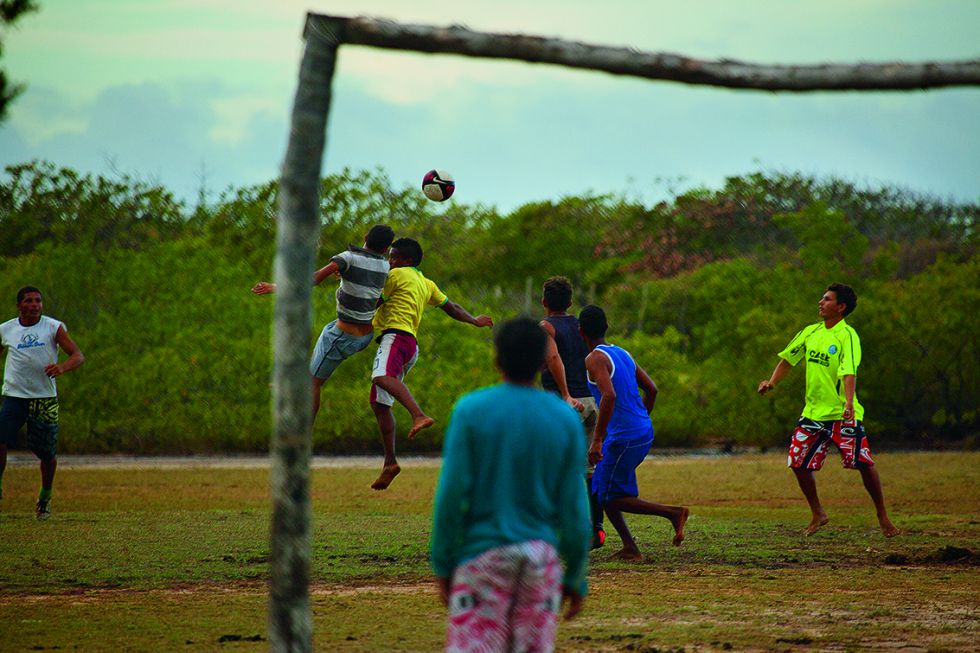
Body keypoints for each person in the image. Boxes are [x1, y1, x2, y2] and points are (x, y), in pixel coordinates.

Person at [430, 317, 591, 653]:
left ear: (497, 359)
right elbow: (575, 507)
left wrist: (443, 563)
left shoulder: (471, 411)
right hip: (540, 560)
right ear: (541, 363)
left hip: (482, 557)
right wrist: (575, 574)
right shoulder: (564, 418)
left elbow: (451, 495)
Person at [758, 283, 900, 537]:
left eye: (827, 299)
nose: (820, 302)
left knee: (863, 463)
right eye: (821, 298)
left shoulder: (847, 336)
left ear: (841, 307)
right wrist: (771, 382)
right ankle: (818, 512)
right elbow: (788, 359)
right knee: (798, 462)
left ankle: (883, 516)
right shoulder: (810, 332)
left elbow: (849, 371)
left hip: (841, 413)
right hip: (813, 413)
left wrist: (848, 403)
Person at [369, 237, 493, 490]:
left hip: (395, 337)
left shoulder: (395, 276)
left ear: (406, 261)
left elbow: (374, 301)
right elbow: (452, 307)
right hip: (409, 346)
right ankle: (390, 462)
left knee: (381, 378)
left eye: (393, 258)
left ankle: (419, 415)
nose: (389, 262)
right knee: (380, 403)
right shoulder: (426, 283)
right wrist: (474, 320)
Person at [251, 224, 395, 421]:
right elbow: (366, 285)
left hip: (345, 336)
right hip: (365, 335)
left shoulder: (348, 258)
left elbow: (315, 279)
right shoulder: (386, 266)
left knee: (313, 383)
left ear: (366, 236)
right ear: (386, 249)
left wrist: (275, 287)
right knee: (327, 332)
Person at [580, 304, 689, 561]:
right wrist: (640, 420)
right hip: (641, 431)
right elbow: (652, 389)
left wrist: (596, 439)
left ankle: (673, 514)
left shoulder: (594, 359)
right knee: (603, 490)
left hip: (625, 436)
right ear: (605, 327)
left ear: (580, 331)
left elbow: (608, 394)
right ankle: (630, 547)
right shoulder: (623, 354)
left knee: (606, 494)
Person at [0, 286, 85, 519]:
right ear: (19, 305)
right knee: (0, 438)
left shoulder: (52, 327)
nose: (35, 304)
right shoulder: (6, 329)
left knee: (46, 453)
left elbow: (77, 356)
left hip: (43, 398)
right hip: (14, 396)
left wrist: (61, 367)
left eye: (38, 300)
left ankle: (45, 496)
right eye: (29, 301)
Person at [539, 276, 606, 550]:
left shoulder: (546, 327)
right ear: (569, 302)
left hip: (564, 402)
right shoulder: (581, 325)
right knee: (589, 470)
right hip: (591, 401)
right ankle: (596, 530)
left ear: (544, 302)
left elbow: (553, 358)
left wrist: (565, 394)